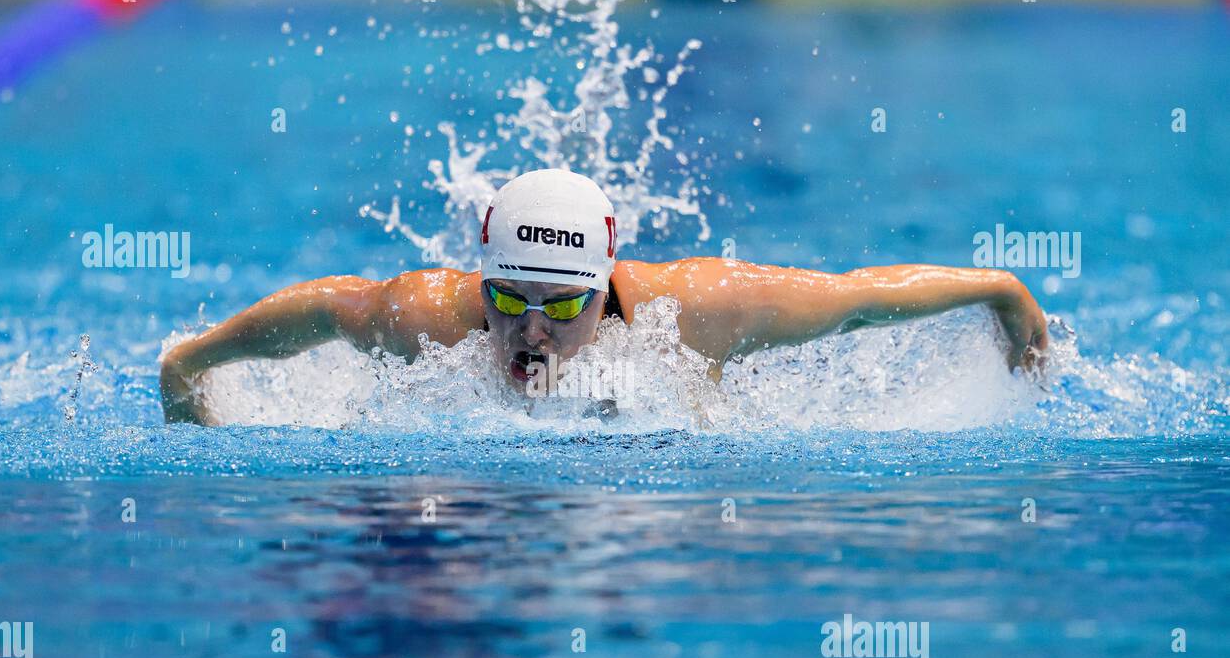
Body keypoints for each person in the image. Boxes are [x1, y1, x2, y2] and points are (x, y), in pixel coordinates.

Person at [160, 168, 1049, 424]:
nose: (533, 333)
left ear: (607, 280)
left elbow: (855, 298)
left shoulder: (699, 311)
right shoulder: (426, 315)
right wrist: (194, 363)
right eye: (509, 303)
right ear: (481, 275)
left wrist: (1002, 290)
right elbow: (323, 309)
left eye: (564, 306)